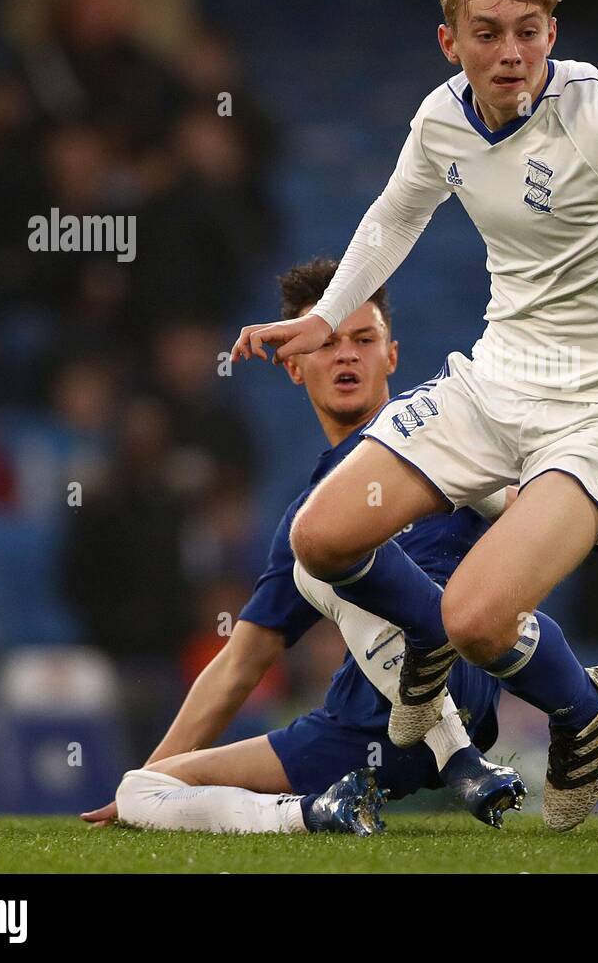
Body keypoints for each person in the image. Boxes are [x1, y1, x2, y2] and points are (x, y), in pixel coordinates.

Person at [229, 0, 598, 831]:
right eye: (487, 33)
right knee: (319, 540)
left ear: (552, 34)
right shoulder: (443, 117)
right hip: (493, 386)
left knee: (480, 621)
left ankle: (580, 711)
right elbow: (396, 217)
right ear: (451, 40)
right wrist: (322, 319)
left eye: (529, 31)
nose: (511, 51)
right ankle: (427, 654)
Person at [81, 259, 525, 836]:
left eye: (364, 339)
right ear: (293, 364)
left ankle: (441, 753)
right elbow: (241, 661)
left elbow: (532, 515)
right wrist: (156, 775)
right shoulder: (308, 520)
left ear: (391, 355)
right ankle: (322, 810)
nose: (346, 355)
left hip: (452, 678)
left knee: (329, 559)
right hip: (358, 731)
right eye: (327, 343)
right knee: (142, 788)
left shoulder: (452, 447)